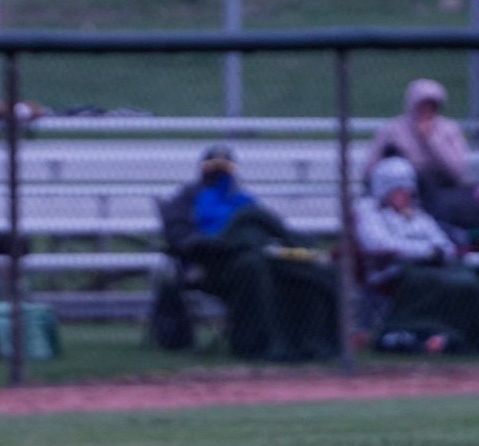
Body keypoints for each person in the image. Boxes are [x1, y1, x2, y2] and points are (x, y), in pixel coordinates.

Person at [162, 145, 339, 362]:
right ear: (202, 168)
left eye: (224, 166)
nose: (219, 171)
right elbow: (181, 239)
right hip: (214, 266)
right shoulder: (187, 199)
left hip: (261, 257)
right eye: (212, 165)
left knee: (304, 271)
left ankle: (306, 341)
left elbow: (267, 226)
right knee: (252, 266)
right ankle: (257, 342)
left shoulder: (243, 199)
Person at [355, 155, 479, 353]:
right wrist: (424, 251)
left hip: (427, 272)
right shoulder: (369, 210)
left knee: (467, 281)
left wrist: (434, 252)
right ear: (383, 188)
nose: (404, 194)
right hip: (390, 272)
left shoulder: (415, 215)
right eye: (397, 189)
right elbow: (377, 243)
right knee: (459, 284)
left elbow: (443, 244)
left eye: (407, 189)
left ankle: (456, 335)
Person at [371, 78, 479, 234]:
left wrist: (430, 140)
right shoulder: (393, 130)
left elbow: (457, 171)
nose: (426, 110)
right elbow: (369, 170)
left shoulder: (449, 130)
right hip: (400, 193)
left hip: (441, 191)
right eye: (422, 105)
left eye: (432, 105)